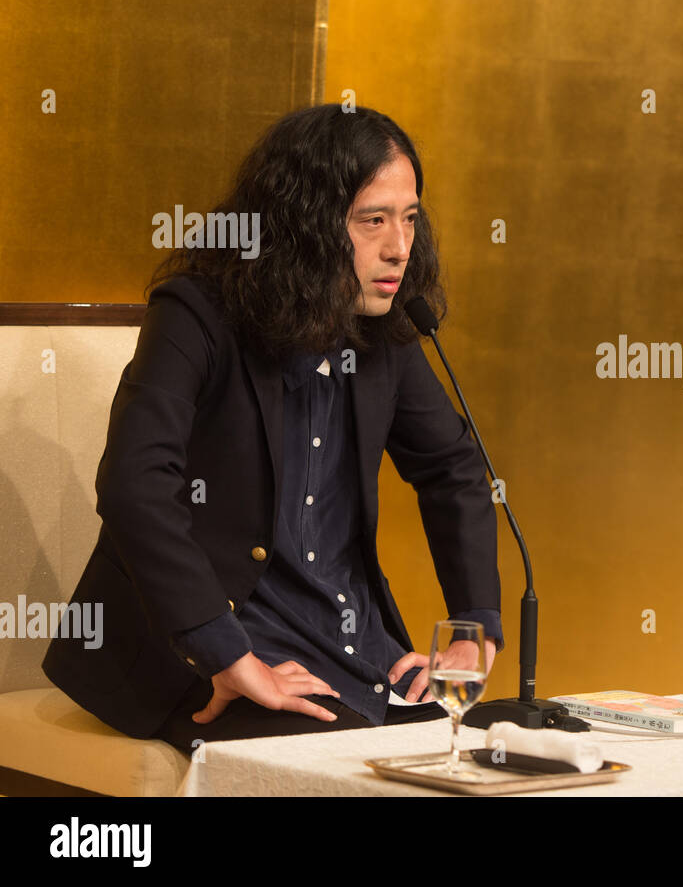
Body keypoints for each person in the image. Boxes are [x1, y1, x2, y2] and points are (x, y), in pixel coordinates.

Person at [42, 105, 503, 754]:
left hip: (354, 651)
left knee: (497, 750)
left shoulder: (387, 329)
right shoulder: (196, 313)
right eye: (373, 220)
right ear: (307, 225)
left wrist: (472, 631)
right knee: (346, 766)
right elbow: (135, 485)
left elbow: (451, 469)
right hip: (216, 653)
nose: (399, 245)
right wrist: (224, 652)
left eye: (409, 217)